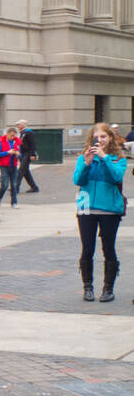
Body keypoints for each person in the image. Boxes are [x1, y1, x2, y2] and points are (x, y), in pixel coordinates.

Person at [73, 122, 127, 303]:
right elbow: (77, 180)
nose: (100, 140)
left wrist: (104, 158)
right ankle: (88, 287)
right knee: (87, 248)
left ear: (110, 138)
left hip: (109, 209)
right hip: (86, 207)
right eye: (97, 137)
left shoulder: (118, 159)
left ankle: (108, 289)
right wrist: (86, 163)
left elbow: (116, 177)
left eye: (103, 136)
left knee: (108, 248)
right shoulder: (84, 157)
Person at [0, 125, 22, 208]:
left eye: (14, 136)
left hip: (13, 165)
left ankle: (14, 202)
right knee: (5, 184)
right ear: (7, 134)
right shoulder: (1, 141)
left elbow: (20, 155)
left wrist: (18, 154)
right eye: (11, 135)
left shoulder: (17, 142)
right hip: (4, 165)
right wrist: (7, 152)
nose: (13, 137)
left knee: (13, 184)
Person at [17, 119, 40, 193]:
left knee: (21, 171)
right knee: (26, 172)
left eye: (19, 124)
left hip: (27, 154)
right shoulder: (23, 133)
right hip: (23, 154)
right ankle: (34, 187)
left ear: (23, 125)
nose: (17, 126)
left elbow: (32, 144)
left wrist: (33, 154)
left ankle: (16, 187)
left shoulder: (28, 133)